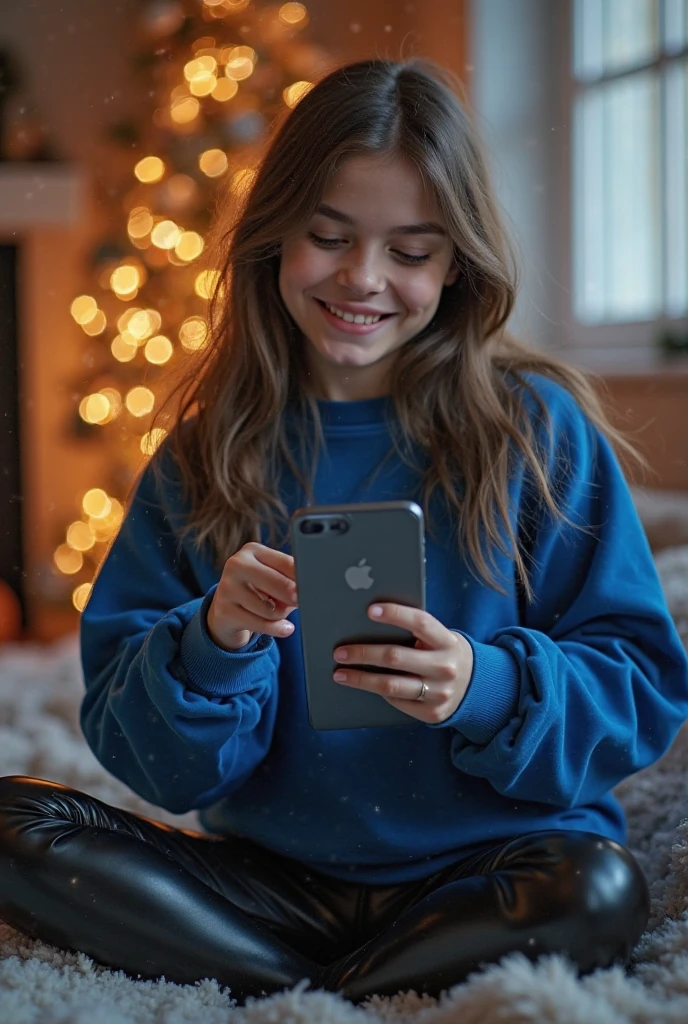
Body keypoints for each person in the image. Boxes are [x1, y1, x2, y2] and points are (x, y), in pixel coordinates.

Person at [0, 57, 687, 1006]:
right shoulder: (208, 456)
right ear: (275, 236)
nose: (363, 278)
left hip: (493, 868)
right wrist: (213, 643)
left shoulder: (535, 429)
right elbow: (145, 755)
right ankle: (344, 985)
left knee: (600, 893)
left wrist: (484, 687)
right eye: (328, 237)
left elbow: (643, 686)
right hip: (272, 878)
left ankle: (300, 995)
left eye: (411, 252)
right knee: (13, 824)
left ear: (457, 265)